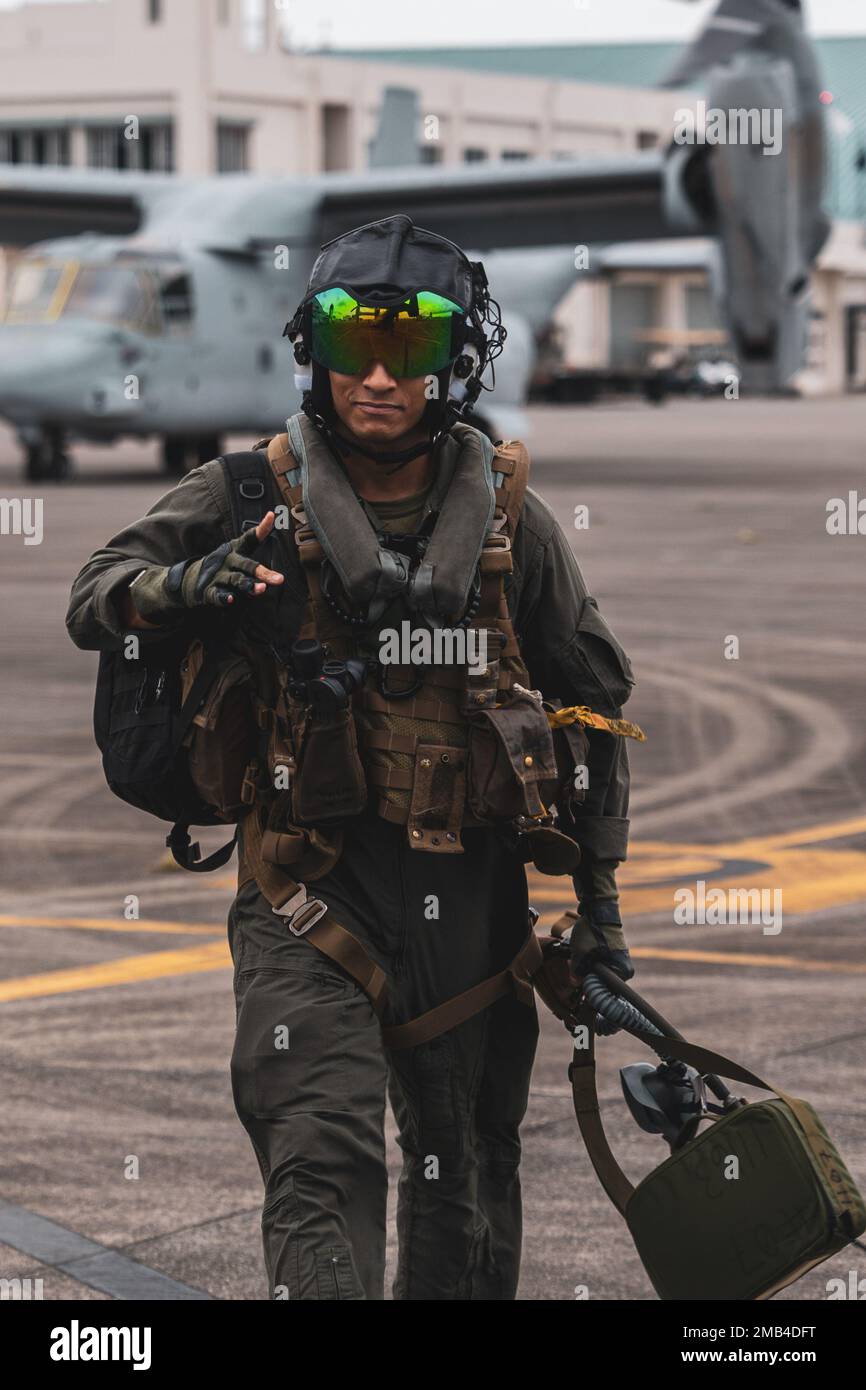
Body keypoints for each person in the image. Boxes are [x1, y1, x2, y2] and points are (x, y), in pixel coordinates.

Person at [66, 214, 636, 1301]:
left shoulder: (514, 525)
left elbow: (592, 711)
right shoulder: (243, 498)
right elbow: (94, 597)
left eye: (410, 349)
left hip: (471, 902)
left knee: (462, 1174)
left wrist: (600, 918)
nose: (376, 375)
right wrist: (191, 585)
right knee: (319, 1152)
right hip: (306, 888)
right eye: (348, 344)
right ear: (311, 352)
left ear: (455, 363)